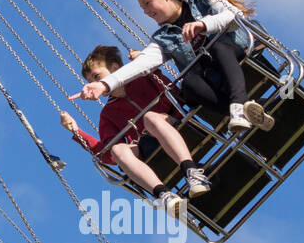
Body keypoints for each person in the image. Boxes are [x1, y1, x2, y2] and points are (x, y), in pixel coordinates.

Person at [74, 0, 274, 132]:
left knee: (219, 48)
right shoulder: (163, 38)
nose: (146, 11)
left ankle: (239, 106)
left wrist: (203, 24)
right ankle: (247, 109)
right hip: (213, 74)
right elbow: (141, 65)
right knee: (190, 84)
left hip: (238, 47)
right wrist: (104, 84)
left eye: (148, 3)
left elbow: (233, 14)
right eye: (142, 8)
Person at [62, 45, 208, 217]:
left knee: (150, 118)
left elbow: (176, 94)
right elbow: (108, 155)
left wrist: (144, 63)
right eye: (90, 81)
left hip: (177, 124)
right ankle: (163, 194)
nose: (94, 84)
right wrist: (77, 131)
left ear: (115, 68)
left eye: (97, 77)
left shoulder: (143, 78)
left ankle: (192, 171)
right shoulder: (108, 114)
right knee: (118, 148)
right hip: (149, 148)